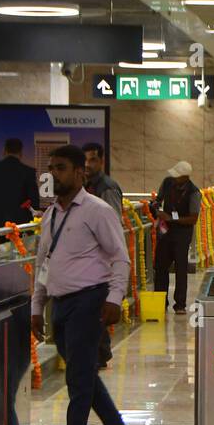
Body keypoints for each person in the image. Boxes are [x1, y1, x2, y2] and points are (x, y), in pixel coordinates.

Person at [29, 145, 139, 425]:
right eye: (51, 168)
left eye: (61, 168)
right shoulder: (52, 215)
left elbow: (120, 257)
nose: (54, 174)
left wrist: (114, 298)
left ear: (80, 172)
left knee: (78, 379)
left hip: (88, 302)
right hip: (60, 305)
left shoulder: (98, 211)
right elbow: (42, 264)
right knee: (84, 376)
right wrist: (37, 307)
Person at [83, 142, 124, 368]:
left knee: (97, 307)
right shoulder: (86, 185)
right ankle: (97, 354)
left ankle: (99, 354)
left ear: (102, 161)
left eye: (92, 160)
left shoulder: (107, 187)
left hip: (102, 259)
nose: (88, 165)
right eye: (85, 160)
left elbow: (113, 225)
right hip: (88, 258)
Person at [153, 160, 200, 313]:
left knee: (180, 268)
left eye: (178, 177)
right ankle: (160, 301)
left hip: (182, 233)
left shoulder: (194, 192)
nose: (174, 178)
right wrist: (155, 207)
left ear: (185, 178)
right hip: (165, 231)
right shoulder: (167, 183)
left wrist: (172, 218)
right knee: (160, 266)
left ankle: (180, 304)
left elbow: (193, 218)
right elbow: (158, 200)